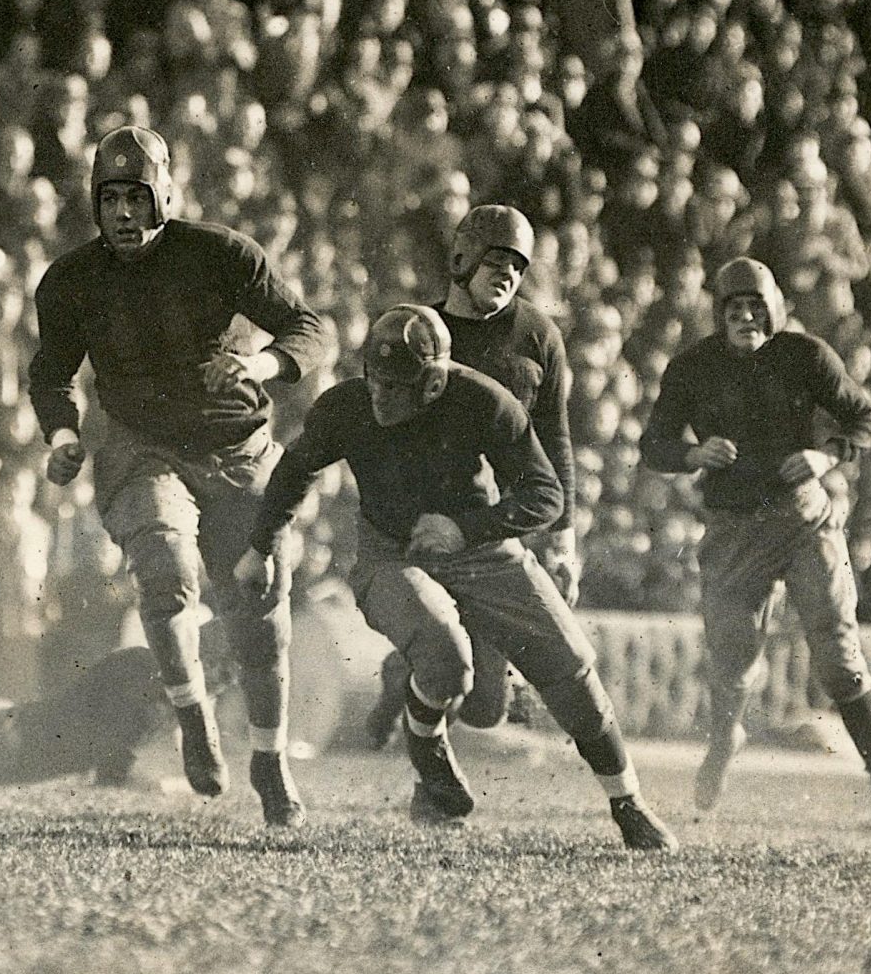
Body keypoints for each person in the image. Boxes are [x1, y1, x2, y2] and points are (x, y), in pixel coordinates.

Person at [242, 305, 675, 850]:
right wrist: (261, 546)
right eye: (376, 380)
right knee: (445, 653)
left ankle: (627, 800)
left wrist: (466, 527)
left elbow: (546, 494)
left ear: (434, 382)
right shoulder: (348, 406)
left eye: (398, 386)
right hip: (391, 551)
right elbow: (293, 472)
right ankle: (427, 745)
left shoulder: (482, 401)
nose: (380, 397)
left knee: (566, 663)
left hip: (482, 546)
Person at [28, 125, 332, 828]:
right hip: (143, 447)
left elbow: (309, 327)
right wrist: (64, 432)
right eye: (111, 200)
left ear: (164, 193)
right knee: (164, 567)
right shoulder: (72, 279)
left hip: (237, 443)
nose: (125, 214)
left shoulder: (218, 253)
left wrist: (261, 364)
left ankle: (269, 754)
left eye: (137, 197)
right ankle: (193, 715)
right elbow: (51, 370)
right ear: (94, 205)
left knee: (258, 604)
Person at [639, 258, 871, 829]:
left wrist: (828, 452)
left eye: (754, 307)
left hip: (801, 518)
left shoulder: (805, 355)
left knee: (839, 656)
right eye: (734, 309)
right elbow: (654, 444)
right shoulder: (693, 367)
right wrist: (694, 454)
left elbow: (865, 416)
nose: (745, 318)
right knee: (732, 660)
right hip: (734, 526)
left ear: (775, 308)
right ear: (718, 315)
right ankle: (725, 739)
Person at [362, 204, 578, 743]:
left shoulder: (538, 335)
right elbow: (380, 423)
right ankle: (424, 746)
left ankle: (400, 679)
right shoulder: (420, 331)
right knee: (444, 658)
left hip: (496, 527)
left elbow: (556, 437)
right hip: (427, 518)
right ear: (463, 258)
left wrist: (563, 534)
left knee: (485, 708)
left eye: (518, 266)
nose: (508, 274)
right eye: (496, 260)